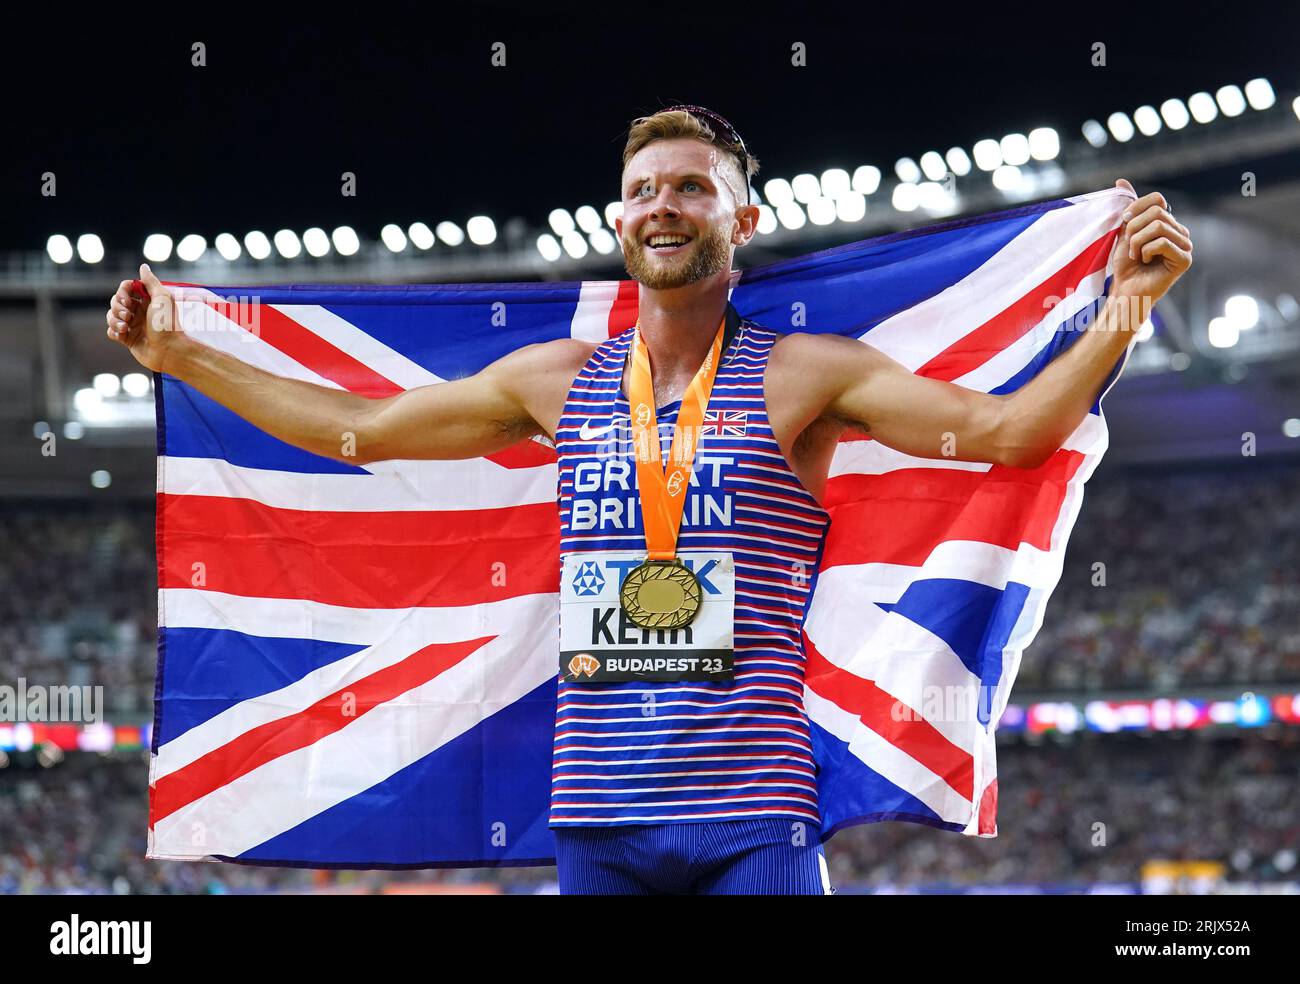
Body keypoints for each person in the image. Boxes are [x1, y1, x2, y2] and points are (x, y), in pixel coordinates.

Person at [105, 105, 1192, 894]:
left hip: (755, 813)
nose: (660, 206)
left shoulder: (806, 374)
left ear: (742, 219)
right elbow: (363, 433)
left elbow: (1006, 434)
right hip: (598, 821)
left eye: (688, 188)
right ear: (618, 222)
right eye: (642, 191)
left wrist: (1123, 311)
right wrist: (183, 358)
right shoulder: (551, 380)